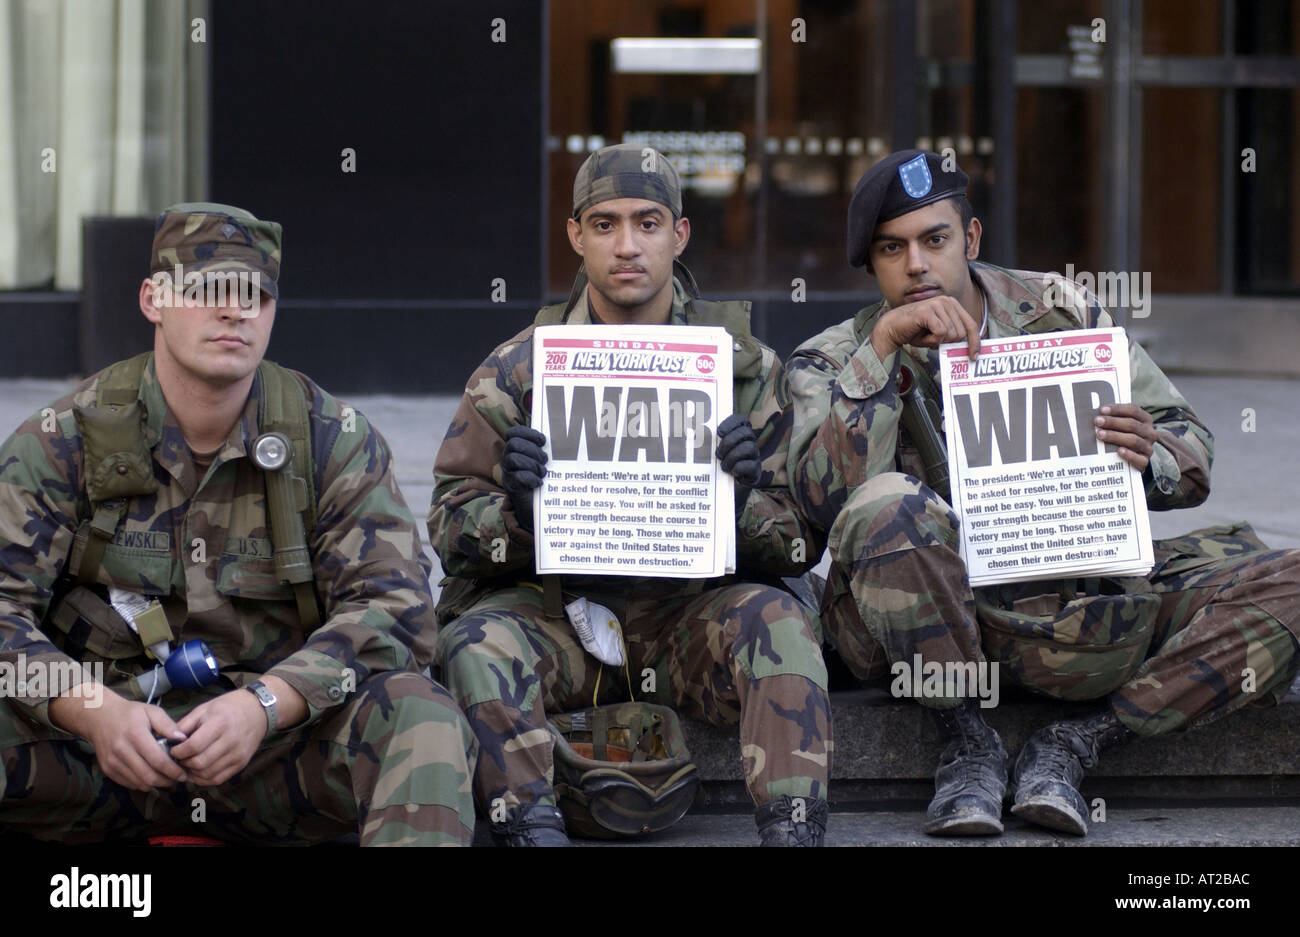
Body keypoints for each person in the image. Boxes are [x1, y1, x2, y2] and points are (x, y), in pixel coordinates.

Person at [786, 150, 1300, 837]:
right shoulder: (832, 358)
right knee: (886, 502)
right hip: (933, 617)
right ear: (872, 264)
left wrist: (1149, 453)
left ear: (969, 239)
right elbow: (823, 507)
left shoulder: (1059, 312)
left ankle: (1078, 741)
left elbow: (1194, 448)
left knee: (1291, 579)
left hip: (1077, 603)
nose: (916, 265)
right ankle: (968, 745)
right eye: (891, 248)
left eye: (934, 240)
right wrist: (881, 353)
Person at [0, 202, 477, 846]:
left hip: (273, 758)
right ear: (153, 300)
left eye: (255, 293)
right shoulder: (64, 439)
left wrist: (267, 705)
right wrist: (93, 713)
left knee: (420, 715)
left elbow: (396, 610)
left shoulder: (329, 439)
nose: (236, 310)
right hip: (90, 754)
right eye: (207, 290)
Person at [430, 144, 831, 846]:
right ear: (575, 235)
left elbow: (801, 537)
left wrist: (738, 507)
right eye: (605, 223)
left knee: (783, 626)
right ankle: (530, 826)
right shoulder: (520, 368)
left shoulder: (742, 371)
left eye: (648, 223)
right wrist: (519, 514)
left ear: (679, 235)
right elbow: (448, 522)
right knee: (473, 642)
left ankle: (793, 830)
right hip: (560, 618)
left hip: (691, 619)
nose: (626, 245)